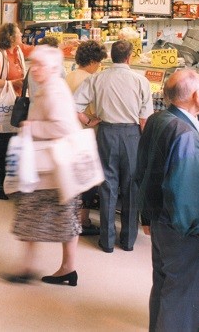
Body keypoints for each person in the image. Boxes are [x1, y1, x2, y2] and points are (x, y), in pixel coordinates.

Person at [135, 68, 199, 332]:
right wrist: (197, 230)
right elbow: (185, 190)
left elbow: (142, 171)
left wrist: (148, 215)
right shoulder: (186, 133)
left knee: (166, 286)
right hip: (184, 231)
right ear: (194, 94)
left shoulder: (158, 120)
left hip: (162, 223)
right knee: (184, 296)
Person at [3, 46, 82, 286]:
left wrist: (31, 127)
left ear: (53, 68)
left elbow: (63, 127)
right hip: (56, 168)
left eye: (39, 65)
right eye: (32, 63)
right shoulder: (51, 87)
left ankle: (30, 267)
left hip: (50, 169)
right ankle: (64, 268)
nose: (33, 69)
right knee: (64, 217)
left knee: (32, 216)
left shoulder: (53, 91)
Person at [74, 40, 153, 253]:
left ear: (111, 56)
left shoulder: (97, 78)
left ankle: (106, 241)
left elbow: (74, 105)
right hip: (132, 135)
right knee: (131, 188)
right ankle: (127, 241)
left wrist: (88, 121)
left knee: (108, 186)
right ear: (130, 57)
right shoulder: (140, 81)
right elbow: (145, 120)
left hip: (106, 133)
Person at [0, 23, 33, 199]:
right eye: (19, 34)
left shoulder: (17, 51)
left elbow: (33, 50)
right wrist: (12, 83)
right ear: (11, 37)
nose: (22, 37)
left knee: (9, 145)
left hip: (14, 105)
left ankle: (8, 185)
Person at [65, 39, 107, 236]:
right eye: (98, 62)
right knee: (87, 181)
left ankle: (71, 217)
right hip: (85, 135)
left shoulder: (69, 75)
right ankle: (83, 220)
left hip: (68, 134)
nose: (99, 66)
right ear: (92, 61)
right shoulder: (90, 80)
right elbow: (93, 110)